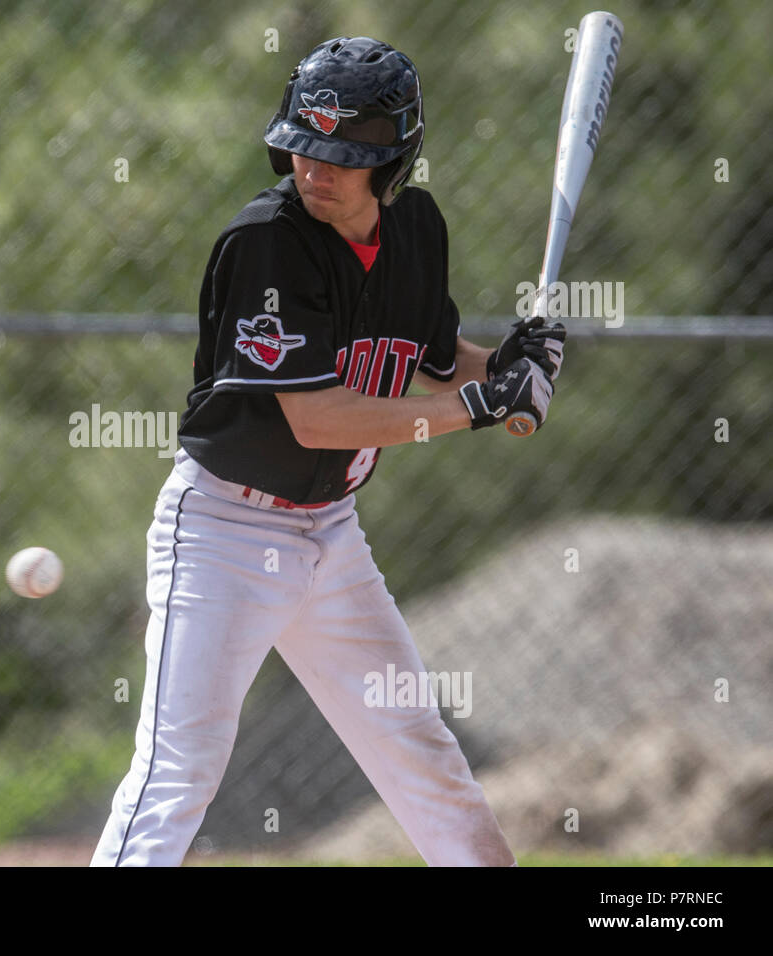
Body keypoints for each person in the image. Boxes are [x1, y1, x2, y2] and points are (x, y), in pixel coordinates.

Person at [90, 36, 565, 867]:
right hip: (224, 536)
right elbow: (317, 417)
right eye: (304, 148)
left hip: (330, 535)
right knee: (179, 771)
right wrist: (479, 406)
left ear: (394, 160)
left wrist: (516, 371)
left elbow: (442, 362)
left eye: (342, 157)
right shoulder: (266, 242)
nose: (315, 170)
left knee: (420, 751)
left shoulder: (416, 229)